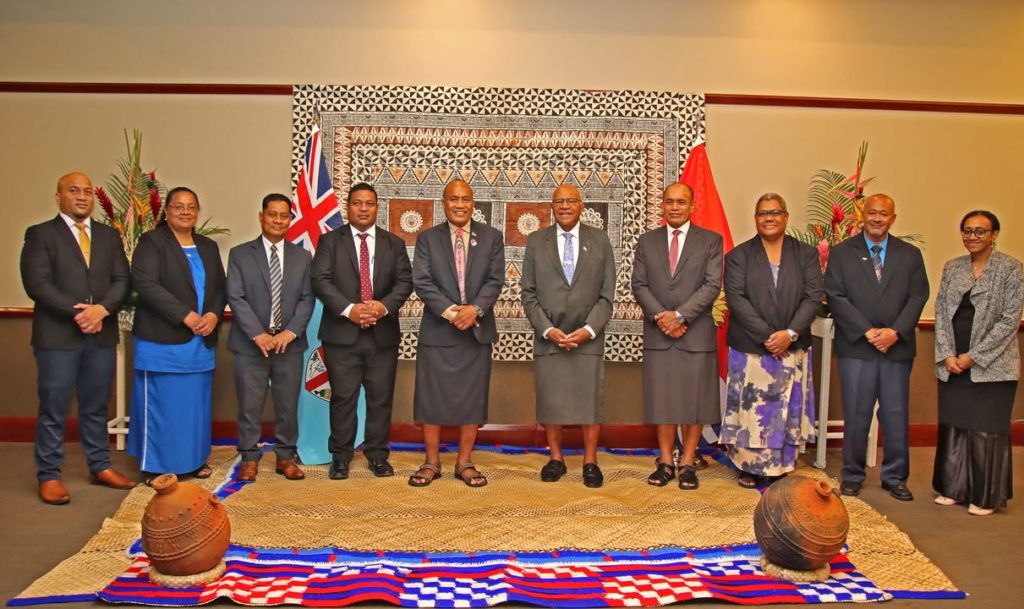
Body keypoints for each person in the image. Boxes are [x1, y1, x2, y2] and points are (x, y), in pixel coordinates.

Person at [20, 172, 136, 504]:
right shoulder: (41, 235)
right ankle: (49, 475)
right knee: (54, 407)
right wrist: (80, 314)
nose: (82, 196)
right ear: (59, 197)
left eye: (87, 191)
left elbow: (121, 280)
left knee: (96, 406)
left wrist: (101, 310)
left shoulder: (108, 236)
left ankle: (100, 466)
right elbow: (37, 284)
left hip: (100, 335)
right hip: (58, 337)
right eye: (74, 191)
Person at [824, 193, 928, 501]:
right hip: (858, 347)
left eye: (884, 214)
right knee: (857, 413)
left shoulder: (909, 255)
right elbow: (836, 295)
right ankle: (853, 475)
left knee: (895, 414)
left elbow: (918, 296)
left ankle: (895, 477)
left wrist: (895, 332)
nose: (878, 218)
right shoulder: (843, 253)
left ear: (893, 218)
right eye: (872, 212)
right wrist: (868, 331)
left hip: (896, 348)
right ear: (862, 216)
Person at [311, 183, 413, 481]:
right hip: (341, 335)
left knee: (380, 399)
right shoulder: (330, 242)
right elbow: (320, 279)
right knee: (343, 398)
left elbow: (404, 283)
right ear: (349, 207)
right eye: (358, 203)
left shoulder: (394, 243)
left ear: (377, 207)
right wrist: (350, 310)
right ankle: (340, 457)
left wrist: (381, 307)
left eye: (369, 203)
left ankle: (378, 456)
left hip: (382, 336)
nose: (364, 208)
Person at [720, 193, 823, 488]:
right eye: (763, 213)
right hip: (752, 348)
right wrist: (768, 336)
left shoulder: (805, 254)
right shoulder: (739, 256)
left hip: (792, 346)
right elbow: (737, 300)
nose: (769, 217)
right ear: (755, 219)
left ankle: (782, 465)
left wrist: (789, 334)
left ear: (786, 217)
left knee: (786, 407)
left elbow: (813, 296)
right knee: (752, 413)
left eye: (776, 212)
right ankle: (749, 466)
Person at [409, 179, 505, 488]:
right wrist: (453, 313)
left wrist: (474, 310)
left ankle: (465, 462)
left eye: (465, 198)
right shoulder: (427, 239)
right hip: (438, 330)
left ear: (473, 202)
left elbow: (495, 280)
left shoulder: (491, 237)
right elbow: (422, 282)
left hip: (476, 330)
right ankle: (432, 461)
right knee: (431, 397)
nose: (460, 204)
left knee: (472, 399)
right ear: (444, 202)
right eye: (453, 198)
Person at [128, 186, 226, 482]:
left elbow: (220, 288)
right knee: (161, 408)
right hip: (161, 342)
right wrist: (185, 315)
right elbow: (146, 284)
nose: (185, 212)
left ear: (198, 212)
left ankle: (193, 461)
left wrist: (212, 314)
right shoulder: (152, 242)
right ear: (167, 211)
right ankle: (157, 466)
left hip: (199, 343)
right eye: (178, 206)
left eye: (191, 207)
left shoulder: (208, 246)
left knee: (193, 409)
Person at [521, 183, 616, 488]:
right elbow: (528, 293)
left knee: (589, 403)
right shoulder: (536, 242)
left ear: (581, 205)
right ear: (552, 206)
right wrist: (548, 330)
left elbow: (607, 295)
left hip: (588, 337)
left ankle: (590, 460)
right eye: (559, 201)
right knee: (552, 401)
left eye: (570, 201)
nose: (564, 206)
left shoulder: (600, 241)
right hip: (550, 337)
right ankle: (556, 458)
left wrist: (588, 331)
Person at [631, 182, 723, 491]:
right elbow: (639, 285)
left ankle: (687, 462)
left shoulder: (711, 241)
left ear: (692, 206)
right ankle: (665, 461)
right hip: (659, 334)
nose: (674, 207)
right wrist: (663, 317)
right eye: (669, 202)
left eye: (681, 202)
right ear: (662, 205)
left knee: (693, 401)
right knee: (664, 401)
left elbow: (711, 285)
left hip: (695, 334)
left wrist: (680, 316)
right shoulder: (646, 242)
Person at [932, 210, 1022, 516]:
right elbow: (942, 312)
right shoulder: (953, 267)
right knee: (955, 425)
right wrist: (947, 355)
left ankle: (985, 496)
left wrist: (974, 357)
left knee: (986, 429)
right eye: (967, 231)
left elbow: (1010, 320)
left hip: (992, 365)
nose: (972, 237)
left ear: (994, 234)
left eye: (980, 231)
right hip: (953, 360)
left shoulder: (1011, 268)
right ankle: (952, 488)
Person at [226, 193, 314, 482]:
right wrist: (258, 334)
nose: (278, 220)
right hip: (252, 345)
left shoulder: (302, 257)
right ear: (262, 217)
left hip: (288, 344)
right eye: (272, 214)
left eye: (284, 215)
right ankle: (249, 458)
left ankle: (285, 456)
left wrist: (290, 332)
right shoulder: (240, 254)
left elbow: (306, 298)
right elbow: (236, 296)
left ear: (290, 219)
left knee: (287, 404)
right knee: (250, 404)